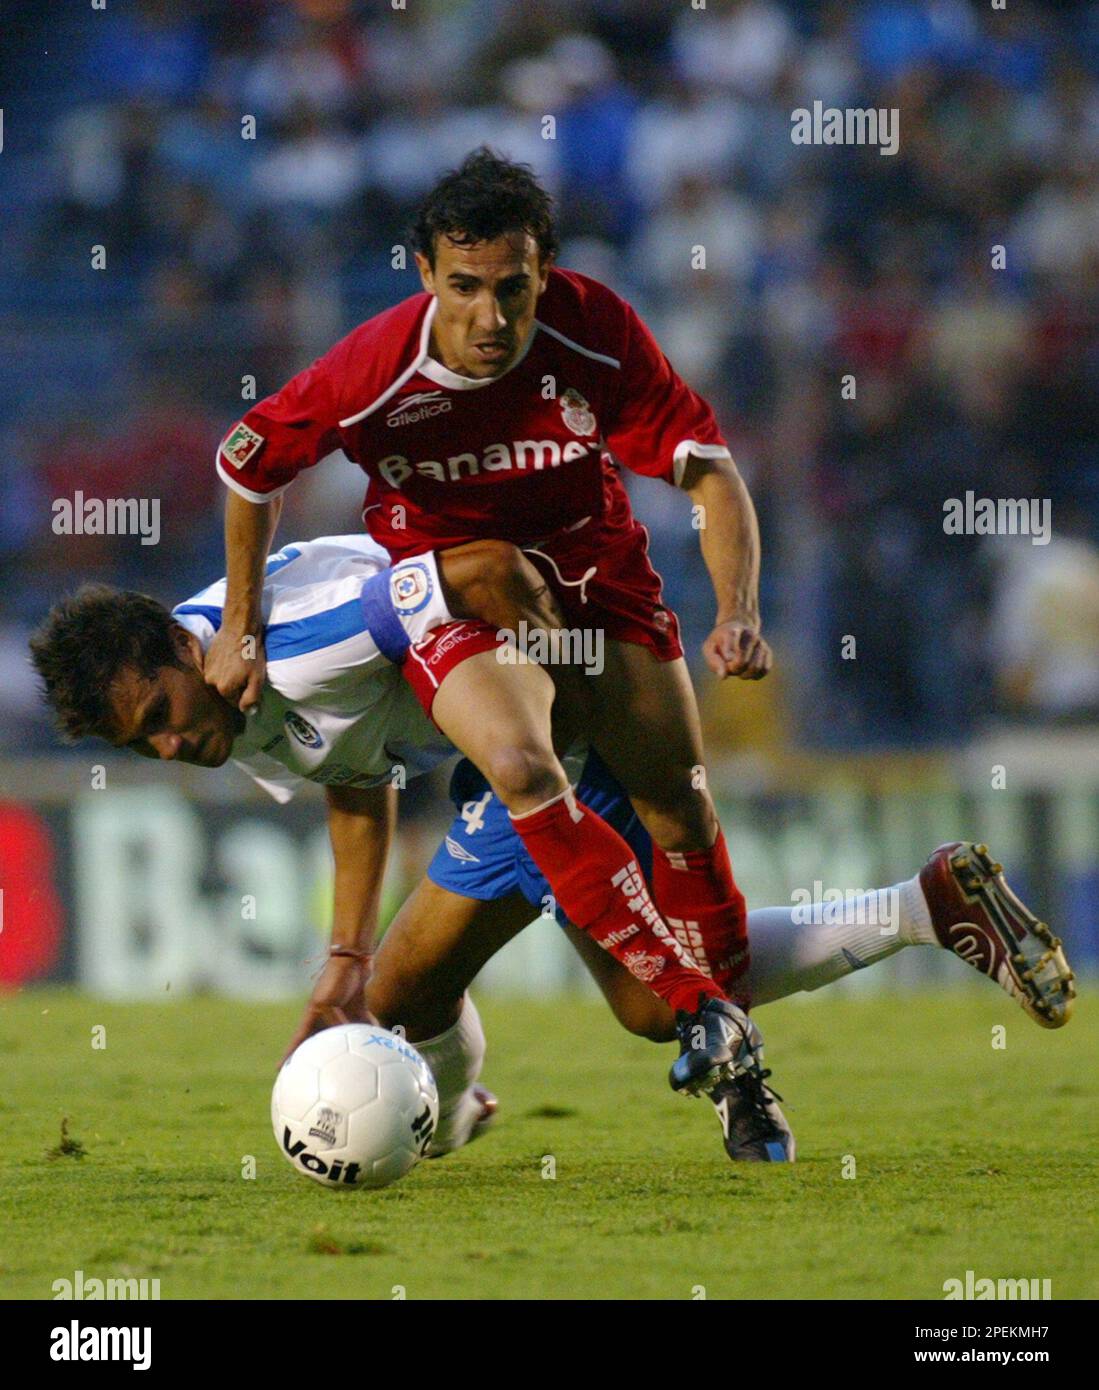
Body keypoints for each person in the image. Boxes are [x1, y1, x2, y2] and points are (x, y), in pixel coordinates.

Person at [30, 536, 1076, 1164]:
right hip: (497, 766)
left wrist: (558, 680)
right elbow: (353, 780)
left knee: (628, 995)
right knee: (463, 993)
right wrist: (341, 956)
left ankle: (445, 1112)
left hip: (543, 751)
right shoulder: (224, 692)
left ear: (181, 644)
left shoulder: (297, 646)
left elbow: (474, 570)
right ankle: (925, 905)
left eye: (164, 713)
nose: (175, 744)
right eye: (146, 744)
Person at [202, 147, 779, 1114]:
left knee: (682, 810)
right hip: (461, 602)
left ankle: (737, 1068)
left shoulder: (596, 330)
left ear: (543, 272)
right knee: (518, 768)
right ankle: (697, 1008)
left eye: (512, 288)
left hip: (597, 580)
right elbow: (249, 464)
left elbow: (708, 470)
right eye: (463, 286)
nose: (491, 317)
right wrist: (240, 628)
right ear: (425, 275)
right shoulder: (373, 370)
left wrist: (738, 612)